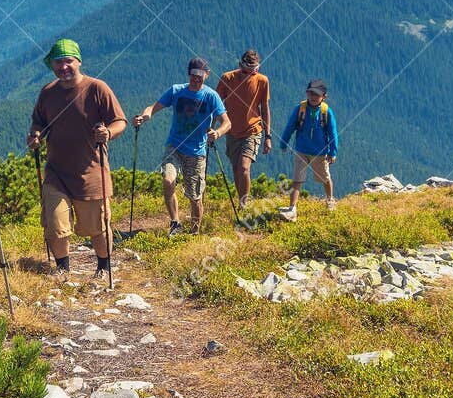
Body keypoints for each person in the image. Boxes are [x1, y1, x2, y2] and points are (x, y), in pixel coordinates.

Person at [27, 38, 127, 280]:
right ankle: (63, 269)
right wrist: (36, 135)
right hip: (56, 172)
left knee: (98, 228)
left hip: (91, 171)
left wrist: (108, 133)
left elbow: (119, 121)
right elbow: (39, 122)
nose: (63, 67)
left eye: (68, 61)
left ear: (78, 61)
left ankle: (103, 267)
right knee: (55, 225)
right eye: (57, 62)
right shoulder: (48, 92)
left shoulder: (97, 88)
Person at [132, 56, 229, 234]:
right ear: (188, 73)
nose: (196, 78)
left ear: (207, 74)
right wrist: (144, 117)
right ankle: (175, 223)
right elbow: (154, 107)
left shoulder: (211, 96)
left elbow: (227, 122)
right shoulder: (176, 91)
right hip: (174, 146)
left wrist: (218, 133)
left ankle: (194, 232)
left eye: (200, 74)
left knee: (194, 196)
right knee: (168, 180)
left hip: (197, 152)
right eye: (193, 74)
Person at [216, 49, 272, 209]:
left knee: (244, 167)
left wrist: (268, 136)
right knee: (235, 168)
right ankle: (241, 199)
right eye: (247, 70)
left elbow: (265, 108)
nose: (250, 74)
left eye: (253, 70)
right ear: (240, 65)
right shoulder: (227, 78)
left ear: (257, 68)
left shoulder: (262, 81)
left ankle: (244, 204)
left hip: (253, 130)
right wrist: (211, 127)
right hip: (231, 131)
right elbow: (216, 103)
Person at [280, 78, 338, 218]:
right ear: (307, 93)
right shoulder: (300, 109)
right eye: (310, 93)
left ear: (324, 96)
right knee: (297, 179)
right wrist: (284, 142)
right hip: (301, 150)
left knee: (324, 177)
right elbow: (290, 127)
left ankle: (330, 200)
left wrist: (333, 152)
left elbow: (333, 133)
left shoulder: (326, 112)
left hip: (320, 152)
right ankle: (292, 207)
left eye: (316, 95)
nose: (313, 97)